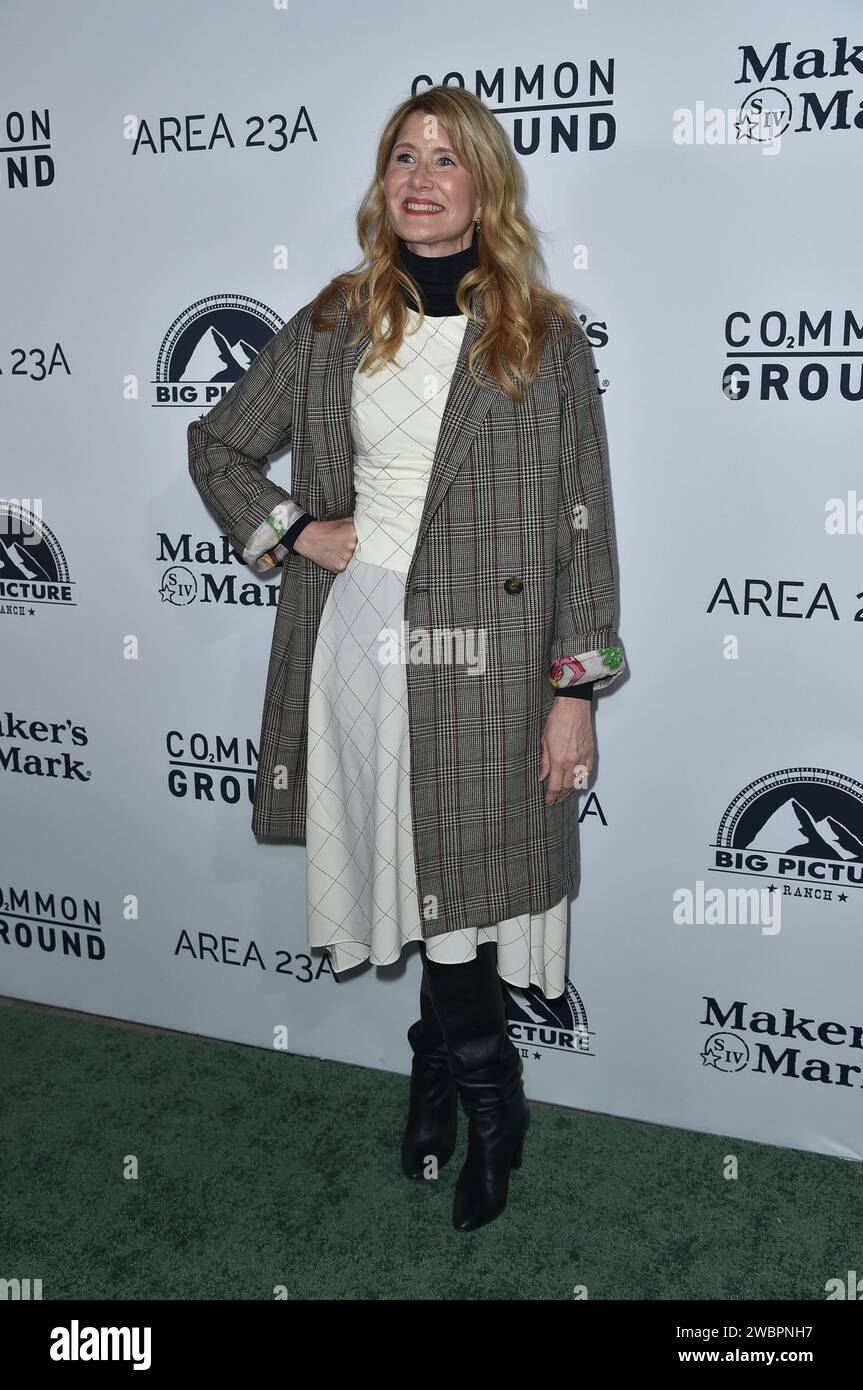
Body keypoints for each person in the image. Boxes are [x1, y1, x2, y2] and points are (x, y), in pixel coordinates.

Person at [188, 85, 625, 1232]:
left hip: (488, 657)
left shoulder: (542, 331)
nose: (420, 177)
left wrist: (572, 693)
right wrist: (288, 530)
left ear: (485, 185)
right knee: (422, 892)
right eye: (400, 157)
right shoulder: (336, 317)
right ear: (382, 181)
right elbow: (218, 442)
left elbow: (584, 524)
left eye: (444, 158)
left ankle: (483, 1104)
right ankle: (459, 1090)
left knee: (459, 903)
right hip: (363, 645)